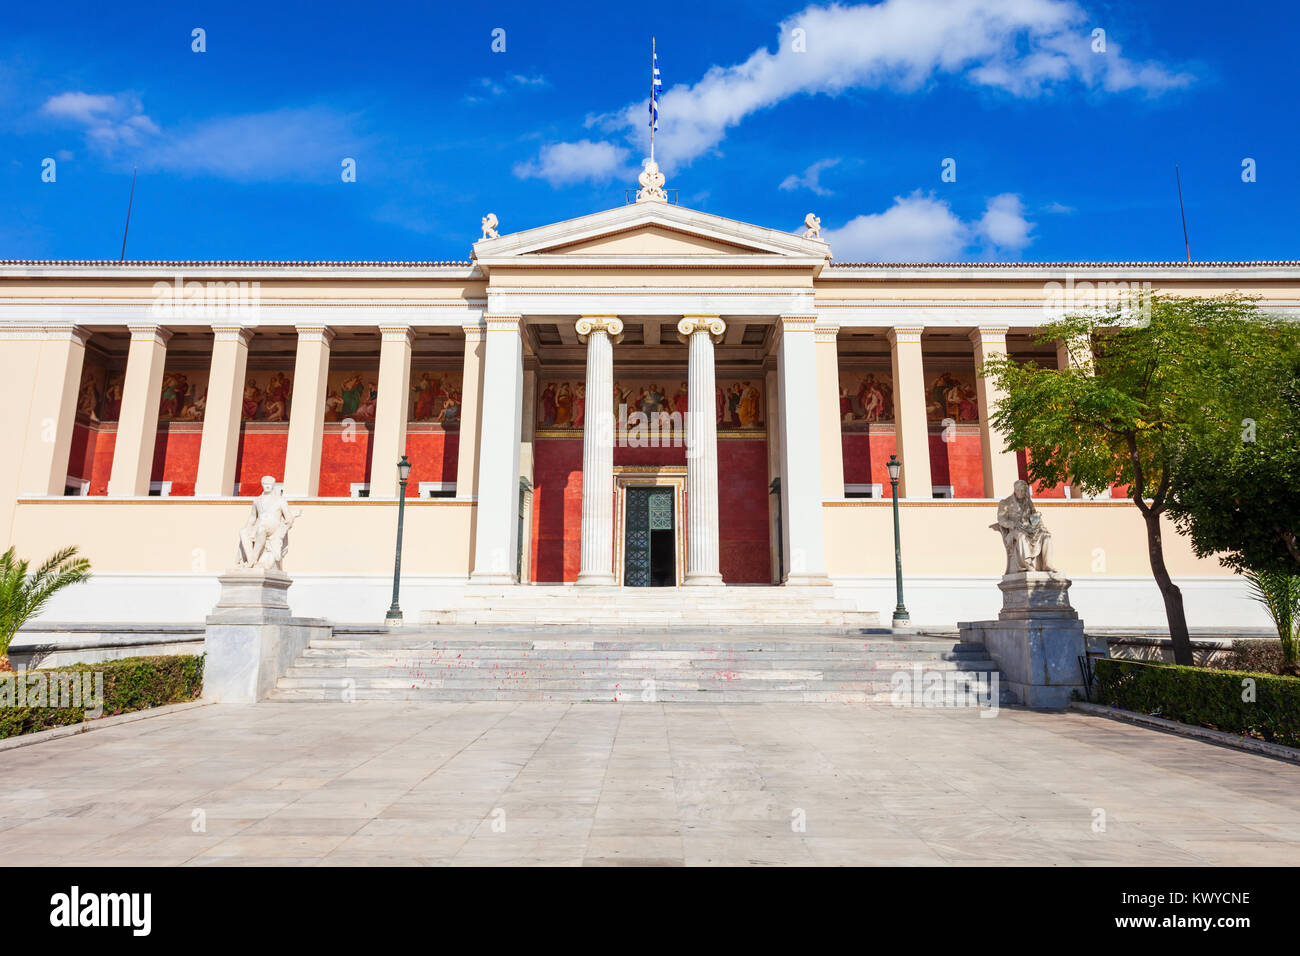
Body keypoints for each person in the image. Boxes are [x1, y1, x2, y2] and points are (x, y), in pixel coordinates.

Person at [993, 480, 1057, 574]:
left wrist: (1038, 521)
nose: (1023, 493)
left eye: (1024, 491)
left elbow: (1033, 516)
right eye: (1021, 490)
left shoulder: (1028, 501)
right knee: (1022, 537)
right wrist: (1014, 524)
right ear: (1016, 490)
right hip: (1014, 531)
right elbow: (1001, 520)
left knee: (1046, 535)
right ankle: (1027, 564)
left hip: (1030, 530)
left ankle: (1047, 564)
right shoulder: (1005, 502)